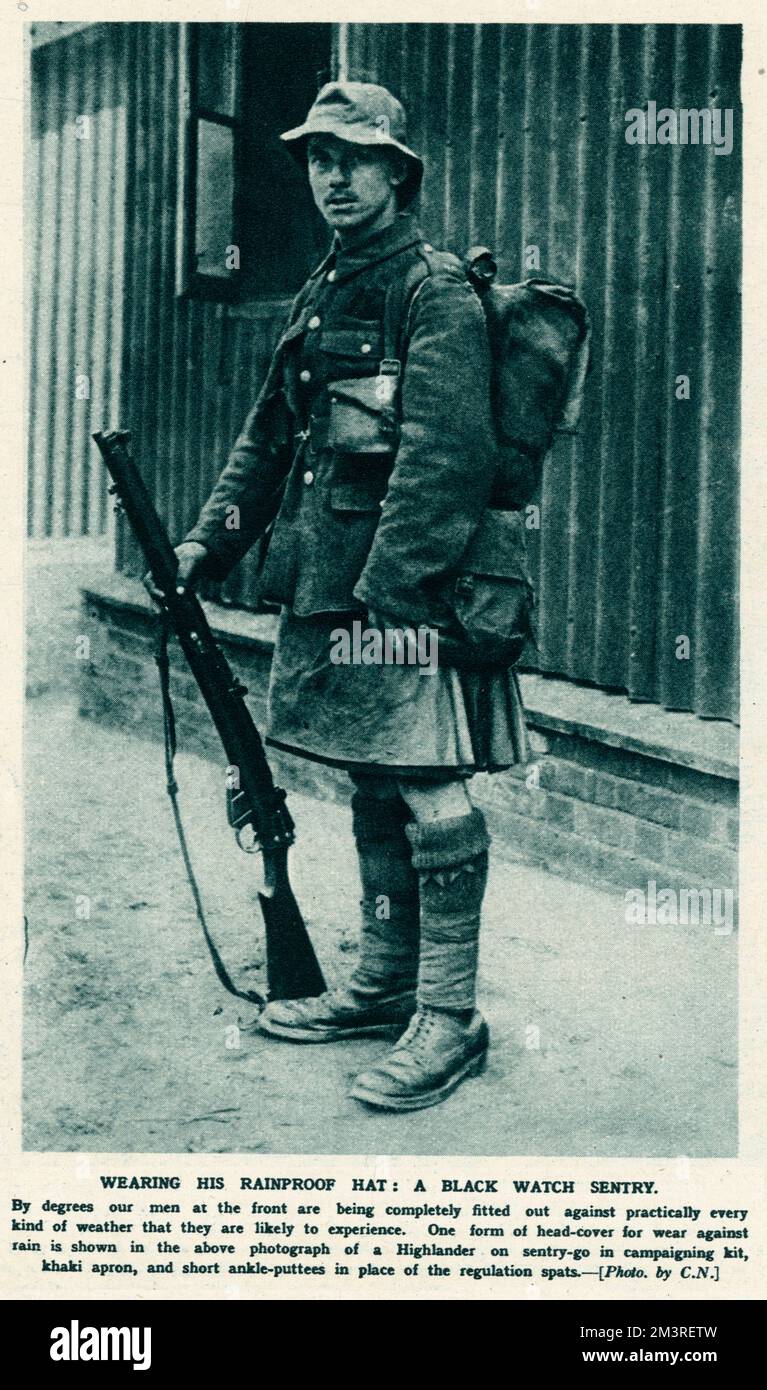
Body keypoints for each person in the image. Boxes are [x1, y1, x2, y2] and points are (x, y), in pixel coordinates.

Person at [174, 81, 530, 1112]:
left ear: (395, 173)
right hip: (332, 585)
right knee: (373, 781)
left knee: (424, 784)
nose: (331, 176)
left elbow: (446, 458)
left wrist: (394, 594)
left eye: (352, 159)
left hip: (404, 593)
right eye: (317, 159)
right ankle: (382, 984)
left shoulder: (431, 290)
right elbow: (268, 436)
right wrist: (208, 539)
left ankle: (450, 1016)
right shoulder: (325, 287)